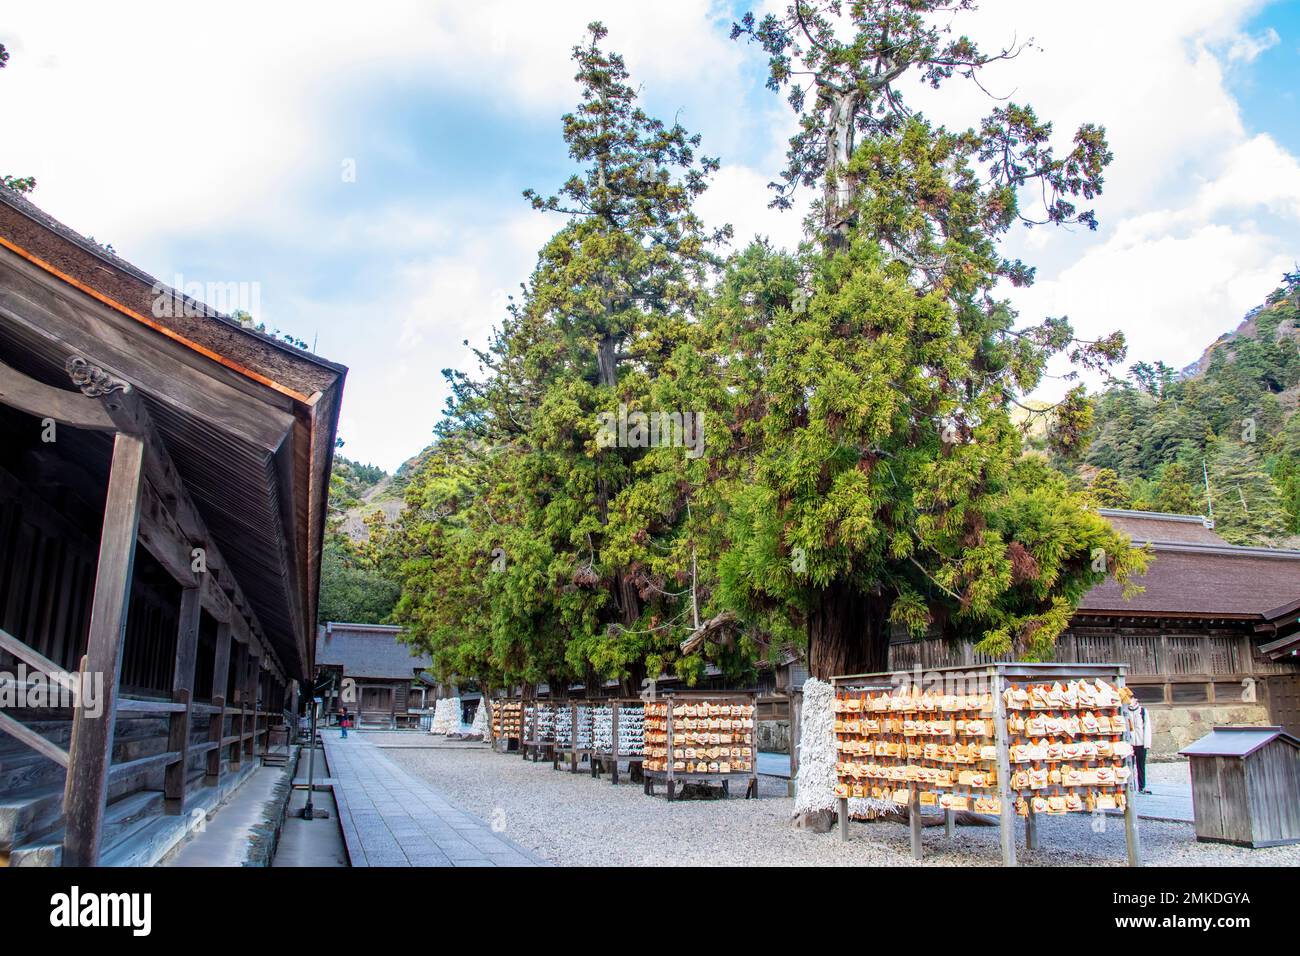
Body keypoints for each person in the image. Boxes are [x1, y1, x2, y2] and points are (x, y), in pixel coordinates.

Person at [1122, 690, 1152, 794]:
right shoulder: (1125, 712)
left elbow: (1147, 728)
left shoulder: (1143, 711)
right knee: (1129, 766)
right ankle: (1131, 786)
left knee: (1141, 766)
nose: (1130, 701)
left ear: (1135, 700)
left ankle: (1142, 786)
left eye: (1131, 698)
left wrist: (1147, 743)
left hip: (1141, 742)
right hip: (1130, 743)